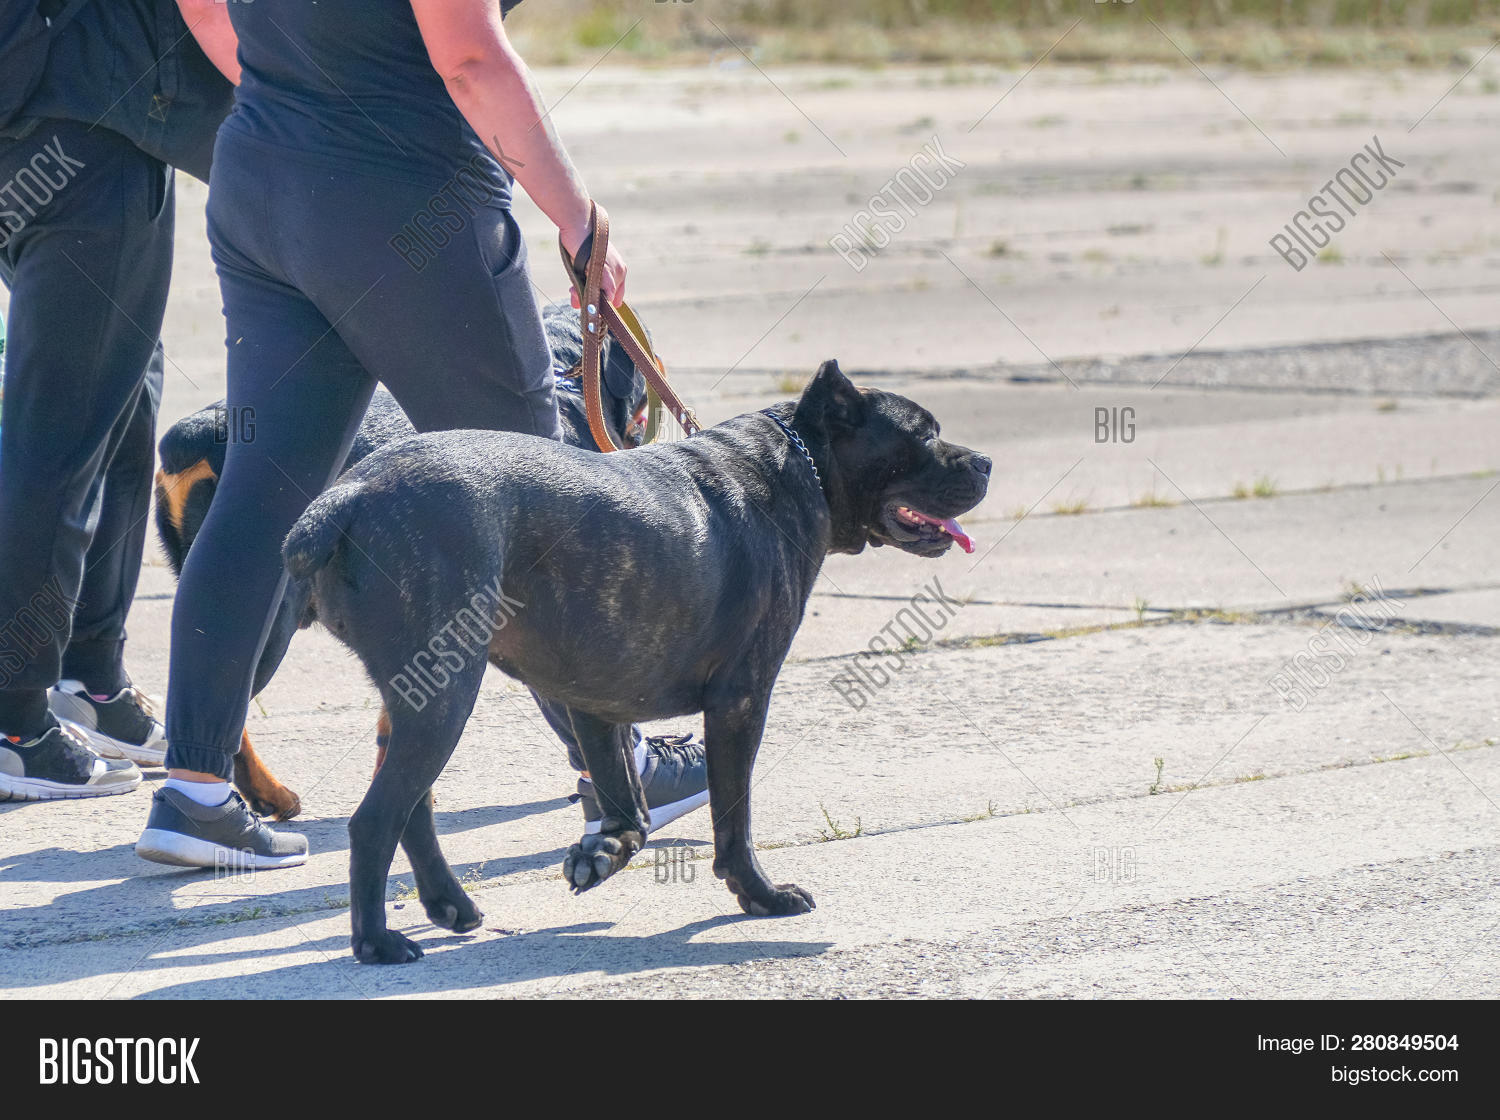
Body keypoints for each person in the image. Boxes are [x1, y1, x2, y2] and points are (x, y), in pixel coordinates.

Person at [135, 0, 709, 869]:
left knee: (260, 491)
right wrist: (577, 216)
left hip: (264, 179)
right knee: (542, 498)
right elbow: (470, 59)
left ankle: (193, 795)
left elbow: (209, 10)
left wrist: (301, 97)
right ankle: (622, 773)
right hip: (407, 195)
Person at [0, 0, 235, 800]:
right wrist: (294, 115)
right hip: (93, 128)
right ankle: (14, 723)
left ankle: (89, 674)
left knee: (122, 385)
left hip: (33, 108)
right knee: (58, 435)